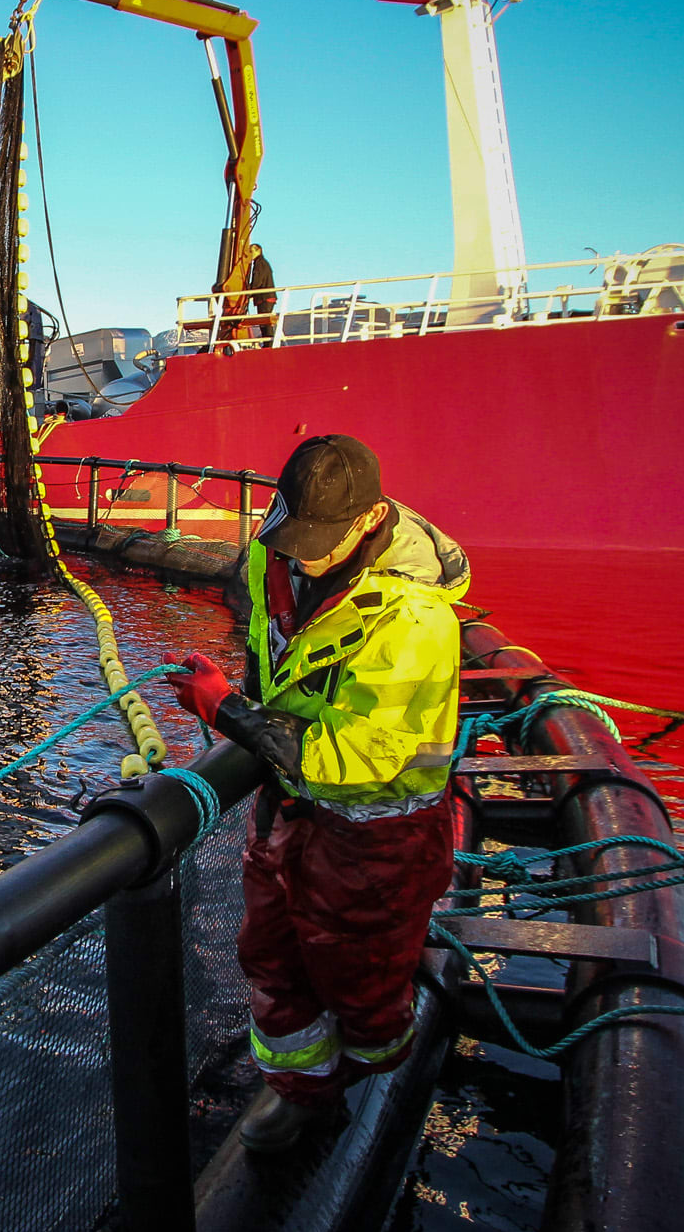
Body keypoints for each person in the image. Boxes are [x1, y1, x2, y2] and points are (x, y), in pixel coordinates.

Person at [171, 433, 470, 1152]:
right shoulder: (276, 555)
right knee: (270, 953)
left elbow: (367, 754)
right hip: (292, 806)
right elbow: (269, 653)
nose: (304, 554)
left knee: (359, 969)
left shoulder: (414, 622)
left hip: (376, 835)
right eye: (294, 535)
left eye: (321, 541)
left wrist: (231, 716)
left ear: (370, 522)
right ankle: (303, 1093)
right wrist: (244, 695)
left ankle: (375, 1078)